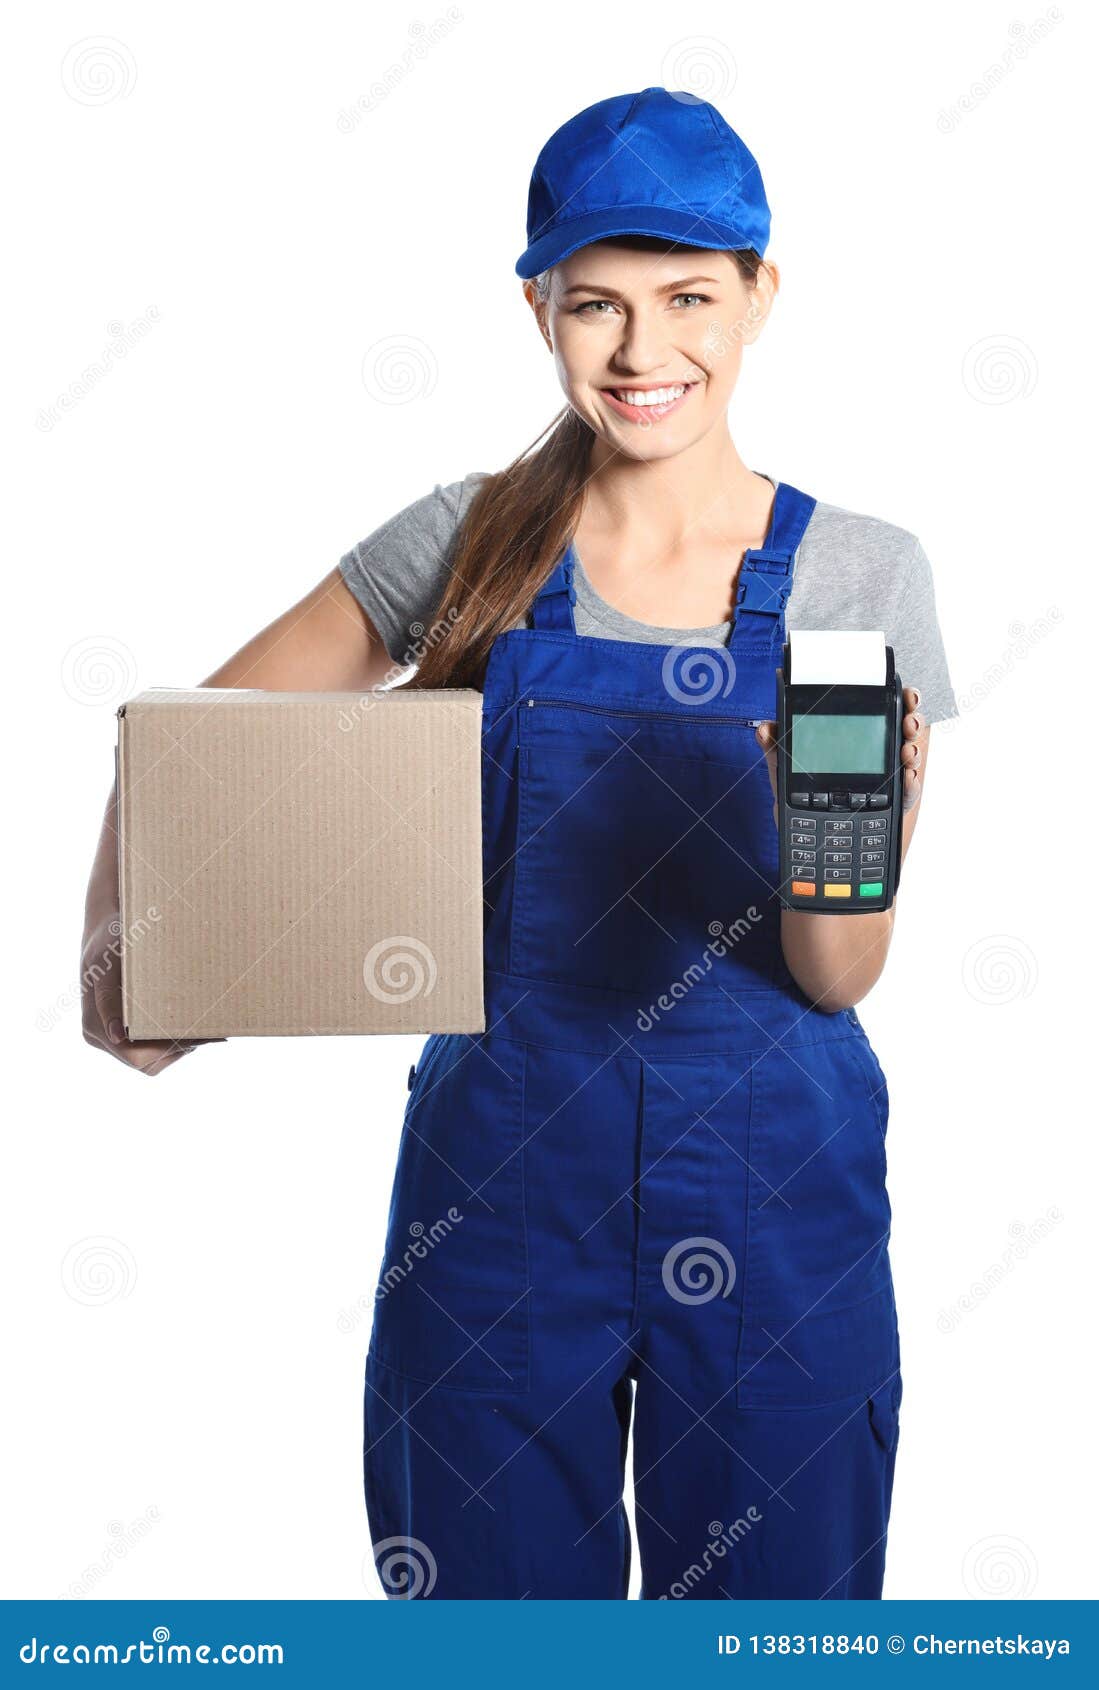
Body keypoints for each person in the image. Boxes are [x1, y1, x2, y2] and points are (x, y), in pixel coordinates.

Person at [82, 87, 957, 1600]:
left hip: (778, 1208)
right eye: (596, 303)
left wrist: (828, 827)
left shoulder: (860, 573)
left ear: (760, 295)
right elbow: (188, 750)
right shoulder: (471, 537)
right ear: (538, 308)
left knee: (775, 1642)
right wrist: (138, 972)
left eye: (689, 298)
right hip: (499, 1203)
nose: (643, 349)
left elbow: (835, 974)